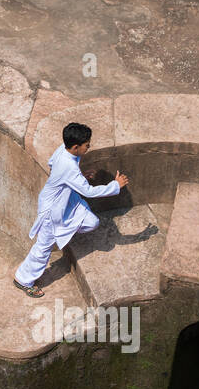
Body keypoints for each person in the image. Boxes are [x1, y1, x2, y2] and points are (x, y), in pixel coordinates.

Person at [14, 122, 128, 297]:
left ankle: (63, 234)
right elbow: (88, 191)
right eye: (86, 146)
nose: (88, 148)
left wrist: (77, 178)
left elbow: (53, 164)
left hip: (66, 199)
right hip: (53, 211)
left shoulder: (63, 149)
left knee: (92, 222)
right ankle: (24, 279)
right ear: (75, 147)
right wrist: (115, 186)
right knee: (43, 247)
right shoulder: (69, 166)